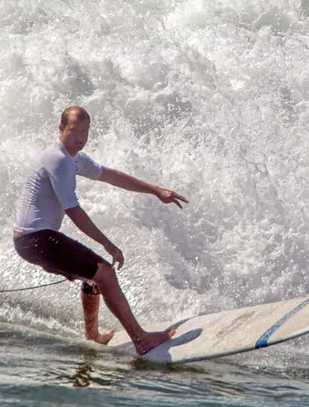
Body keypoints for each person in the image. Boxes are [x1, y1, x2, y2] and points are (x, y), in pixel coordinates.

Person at [12, 105, 188, 355]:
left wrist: (156, 191)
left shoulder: (74, 158)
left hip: (32, 240)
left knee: (95, 275)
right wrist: (108, 244)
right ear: (61, 129)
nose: (80, 137)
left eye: (85, 131)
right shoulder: (58, 160)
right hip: (36, 239)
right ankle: (141, 339)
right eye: (74, 130)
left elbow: (111, 176)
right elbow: (73, 210)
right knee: (105, 273)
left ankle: (93, 336)